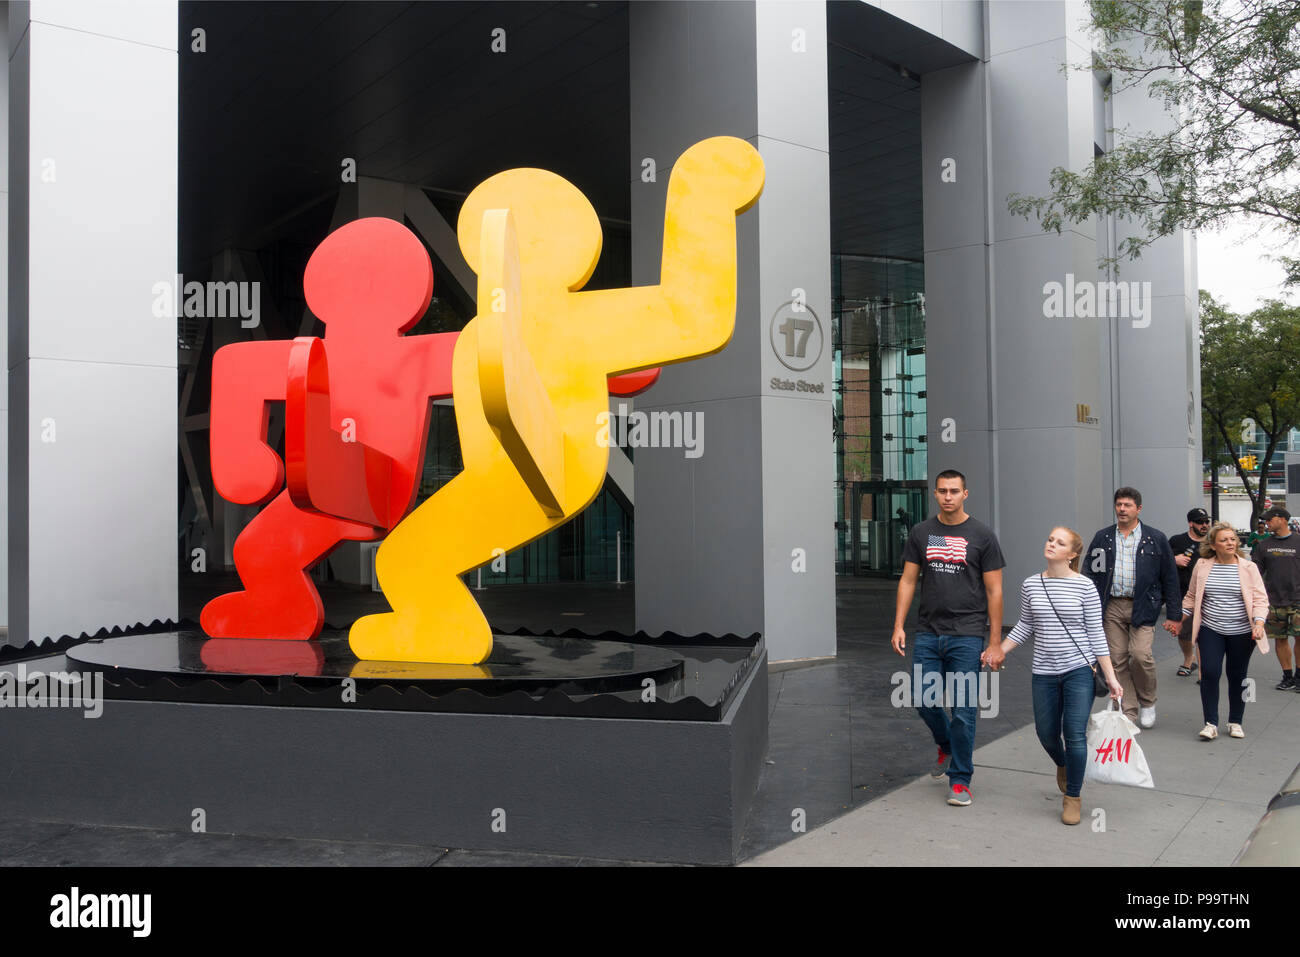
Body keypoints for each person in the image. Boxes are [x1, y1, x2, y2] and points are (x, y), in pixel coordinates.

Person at [993, 527, 1123, 825]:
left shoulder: (1085, 587)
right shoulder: (1031, 584)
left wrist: (1112, 678)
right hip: (1044, 671)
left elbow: (1096, 634)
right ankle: (1063, 764)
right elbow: (1026, 624)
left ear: (1073, 553)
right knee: (1046, 733)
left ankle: (1073, 797)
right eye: (1050, 539)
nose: (1052, 544)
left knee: (1074, 733)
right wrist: (1001, 649)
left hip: (1079, 669)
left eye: (1060, 542)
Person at [892, 469, 1005, 808]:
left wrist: (995, 641)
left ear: (965, 494)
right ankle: (946, 745)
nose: (948, 496)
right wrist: (898, 625)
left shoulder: (982, 535)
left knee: (964, 710)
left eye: (954, 491)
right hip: (928, 632)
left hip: (968, 635)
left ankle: (960, 780)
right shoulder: (922, 532)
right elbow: (908, 581)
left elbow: (995, 589)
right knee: (923, 700)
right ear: (936, 494)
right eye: (942, 491)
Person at [1084, 487, 1182, 728]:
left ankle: (1147, 701)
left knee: (1140, 655)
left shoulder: (1155, 538)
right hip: (1112, 606)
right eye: (1118, 505)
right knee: (1116, 658)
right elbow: (1090, 572)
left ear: (1138, 509)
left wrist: (1174, 615)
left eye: (1127, 505)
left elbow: (1170, 577)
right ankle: (1126, 707)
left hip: (1144, 606)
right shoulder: (1103, 538)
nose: (1122, 509)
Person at [1180, 522, 1269, 739]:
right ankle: (1210, 723)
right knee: (1209, 672)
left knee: (1238, 675)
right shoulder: (1202, 565)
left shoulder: (1249, 568)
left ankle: (1236, 721)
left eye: (1232, 539)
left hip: (1242, 631)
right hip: (1211, 629)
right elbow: (1191, 596)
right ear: (1213, 545)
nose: (1230, 543)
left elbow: (1260, 598)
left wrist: (1258, 623)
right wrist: (1179, 619)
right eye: (1224, 540)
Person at [1250, 506, 1300, 691]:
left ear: (1282, 519)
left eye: (1270, 519)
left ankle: (1299, 676)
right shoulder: (1264, 545)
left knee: (1299, 638)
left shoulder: (1298, 541)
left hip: (1297, 600)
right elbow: (1254, 572)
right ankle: (1287, 677)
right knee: (1280, 639)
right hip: (1273, 600)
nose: (1267, 523)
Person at [1168, 508, 1211, 677]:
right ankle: (1188, 659)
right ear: (1190, 523)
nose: (1205, 525)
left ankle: (1203, 671)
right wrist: (1174, 560)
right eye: (1200, 522)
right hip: (1183, 594)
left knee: (1203, 633)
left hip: (1207, 595)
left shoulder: (1212, 542)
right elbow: (1160, 561)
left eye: (1207, 522)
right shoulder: (1177, 541)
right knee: (1184, 633)